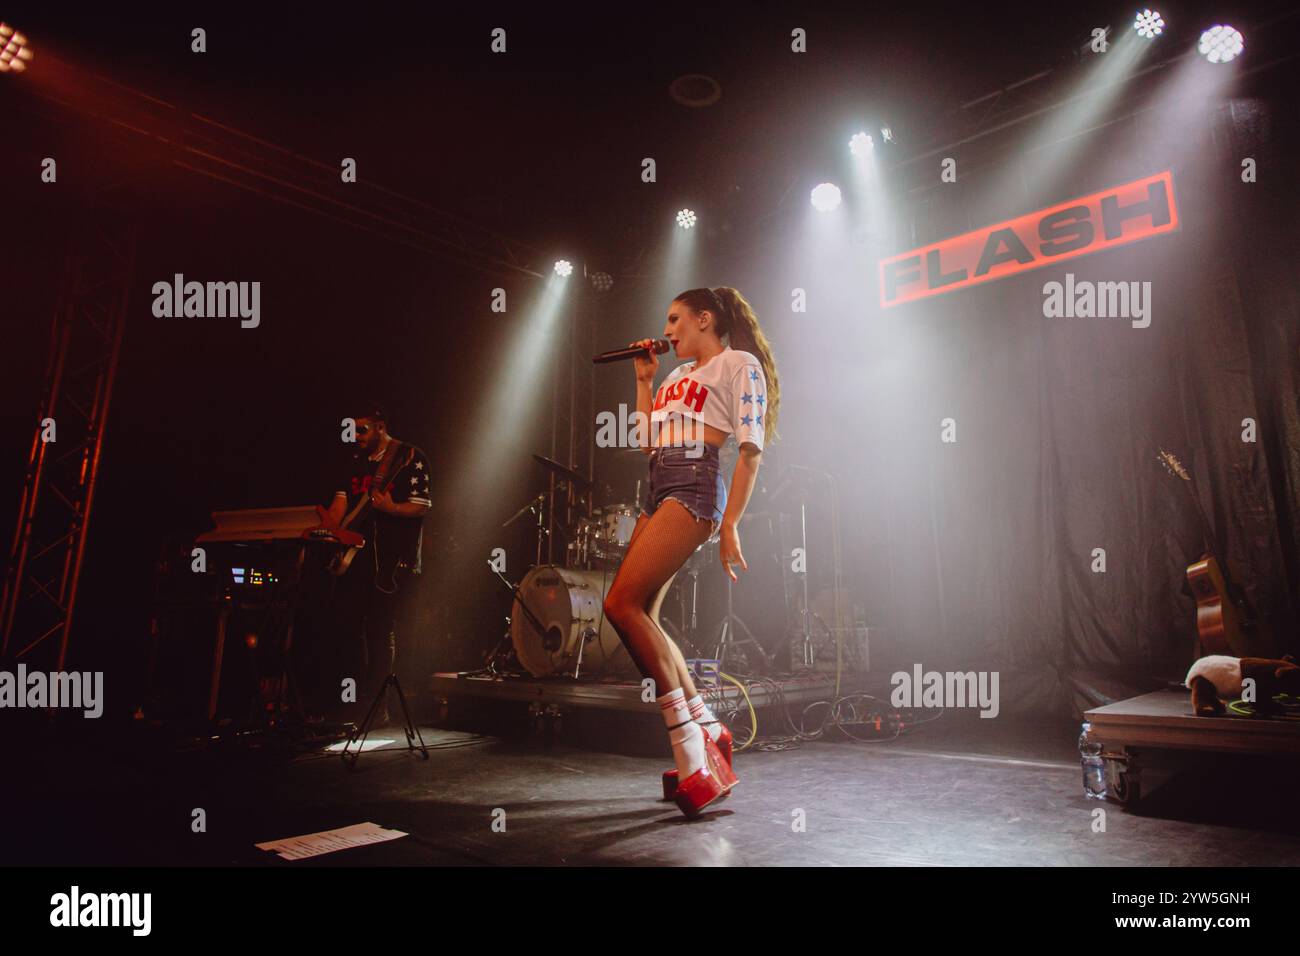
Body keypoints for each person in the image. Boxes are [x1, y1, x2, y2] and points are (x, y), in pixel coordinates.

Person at [602, 287, 780, 817]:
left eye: (675, 319)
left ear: (706, 319)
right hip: (660, 485)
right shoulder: (676, 377)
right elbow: (645, 442)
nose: (669, 329)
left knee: (619, 605)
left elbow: (750, 451)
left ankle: (690, 750)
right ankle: (706, 726)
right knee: (644, 615)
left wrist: (730, 526)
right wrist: (643, 381)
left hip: (694, 486)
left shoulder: (738, 364)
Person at [326, 402, 432, 722]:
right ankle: (348, 699)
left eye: (363, 429)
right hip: (353, 558)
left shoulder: (408, 456)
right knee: (346, 625)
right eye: (353, 429)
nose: (356, 435)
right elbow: (339, 506)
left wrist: (390, 509)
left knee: (380, 628)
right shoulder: (353, 461)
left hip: (390, 560)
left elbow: (421, 506)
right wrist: (324, 532)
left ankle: (378, 707)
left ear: (381, 427)